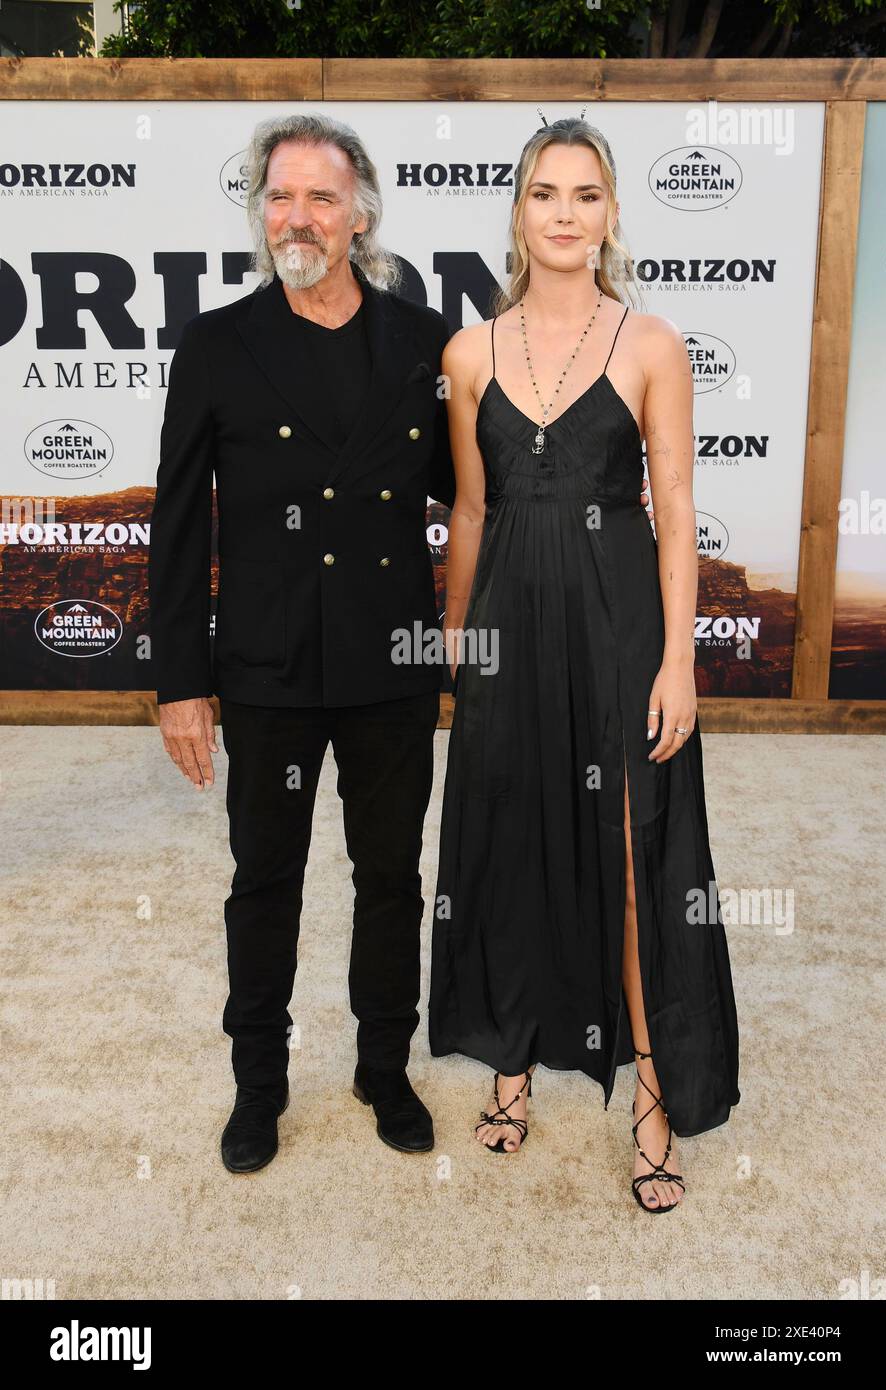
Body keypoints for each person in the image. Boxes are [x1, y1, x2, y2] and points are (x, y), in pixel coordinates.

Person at [428, 114, 740, 1212]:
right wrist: (458, 636)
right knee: (511, 840)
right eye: (546, 194)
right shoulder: (469, 353)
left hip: (620, 632)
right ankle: (514, 1055)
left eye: (587, 195)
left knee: (629, 852)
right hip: (510, 626)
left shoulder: (651, 342)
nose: (566, 214)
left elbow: (677, 510)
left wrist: (680, 663)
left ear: (611, 215)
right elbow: (469, 508)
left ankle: (654, 1093)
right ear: (518, 213)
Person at [148, 113, 460, 1173]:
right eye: (279, 196)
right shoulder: (217, 345)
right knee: (263, 879)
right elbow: (180, 525)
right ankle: (259, 1085)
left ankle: (384, 1066)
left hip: (391, 670)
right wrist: (180, 683)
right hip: (269, 671)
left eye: (321, 197)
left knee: (389, 877)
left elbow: (476, 501)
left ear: (360, 213)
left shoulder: (425, 344)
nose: (297, 217)